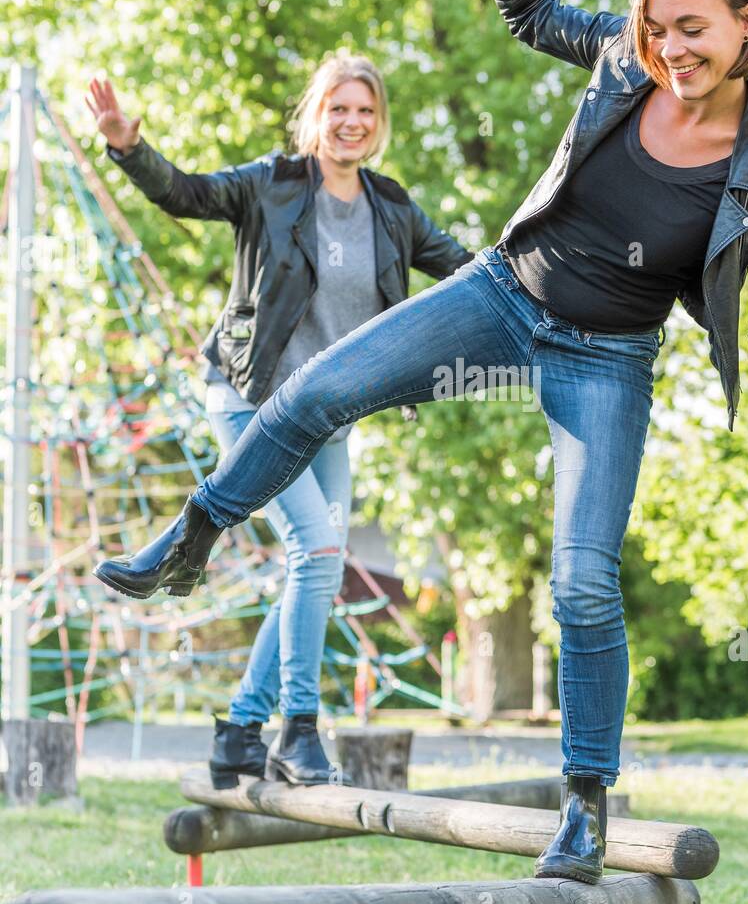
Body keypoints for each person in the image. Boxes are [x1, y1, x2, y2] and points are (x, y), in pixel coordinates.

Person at [93, 0, 748, 883]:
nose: (670, 49)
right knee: (314, 391)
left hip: (609, 359)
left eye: (695, 30)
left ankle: (584, 805)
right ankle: (192, 535)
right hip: (503, 294)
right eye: (657, 27)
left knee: (583, 583)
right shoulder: (622, 60)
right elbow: (536, 16)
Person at [88, 54, 473, 788]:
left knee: (315, 572)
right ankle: (298, 732)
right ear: (316, 116)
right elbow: (187, 194)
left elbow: (464, 269)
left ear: (377, 121)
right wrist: (129, 149)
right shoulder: (272, 185)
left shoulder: (391, 208)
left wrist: (548, 274)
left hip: (329, 418)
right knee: (320, 551)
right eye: (338, 109)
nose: (351, 123)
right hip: (250, 399)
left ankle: (239, 729)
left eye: (364, 111)